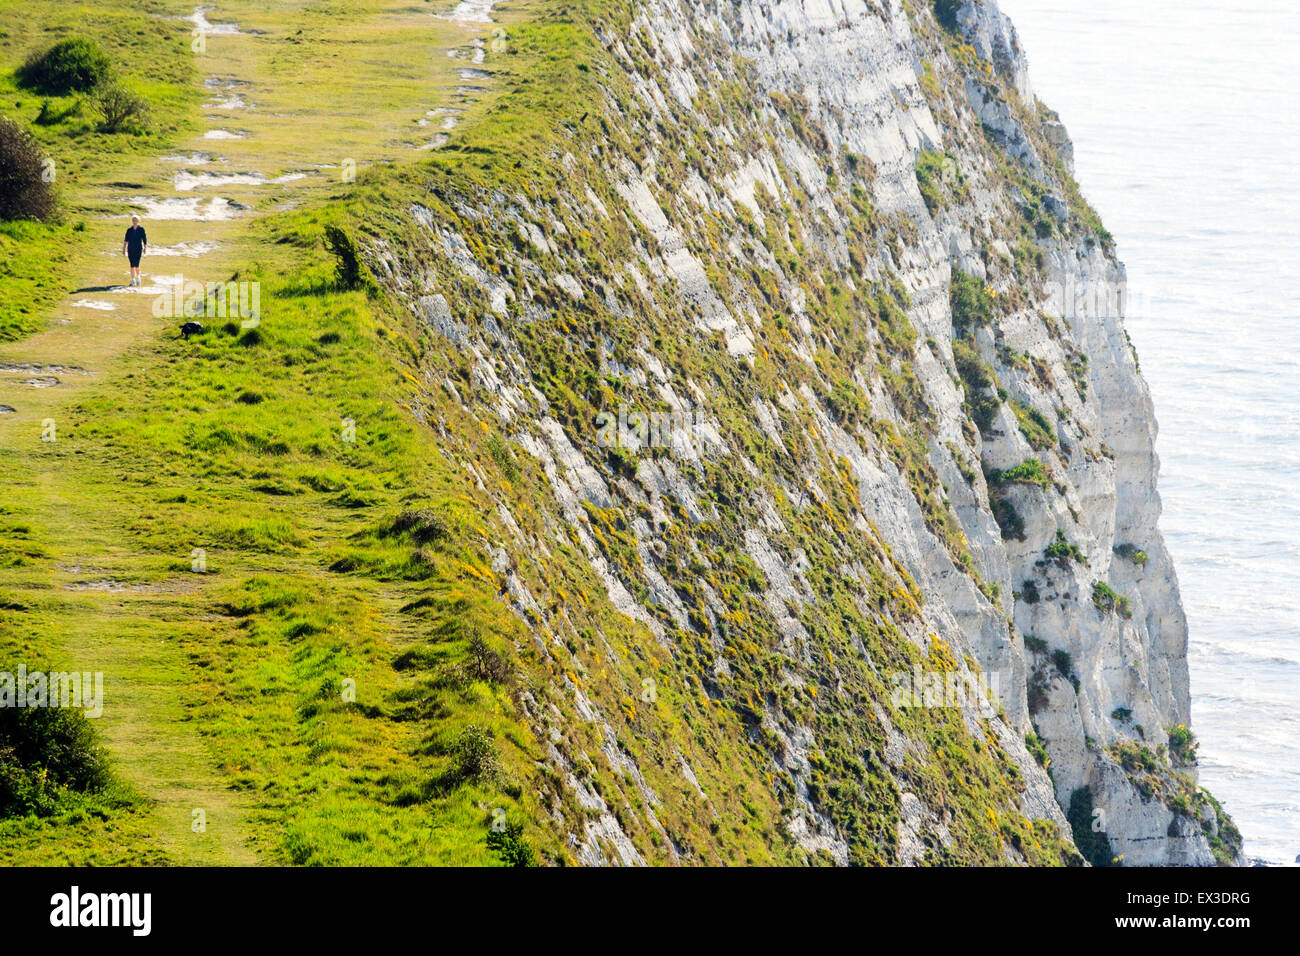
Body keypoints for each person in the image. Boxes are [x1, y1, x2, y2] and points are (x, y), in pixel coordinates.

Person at [123, 215, 147, 287]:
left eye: (136, 220)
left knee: (136, 265)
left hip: (138, 249)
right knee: (132, 265)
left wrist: (145, 248)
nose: (135, 222)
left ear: (138, 221)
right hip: (130, 249)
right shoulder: (129, 230)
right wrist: (124, 249)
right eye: (133, 220)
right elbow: (126, 240)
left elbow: (144, 239)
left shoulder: (141, 229)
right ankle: (133, 280)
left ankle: (138, 277)